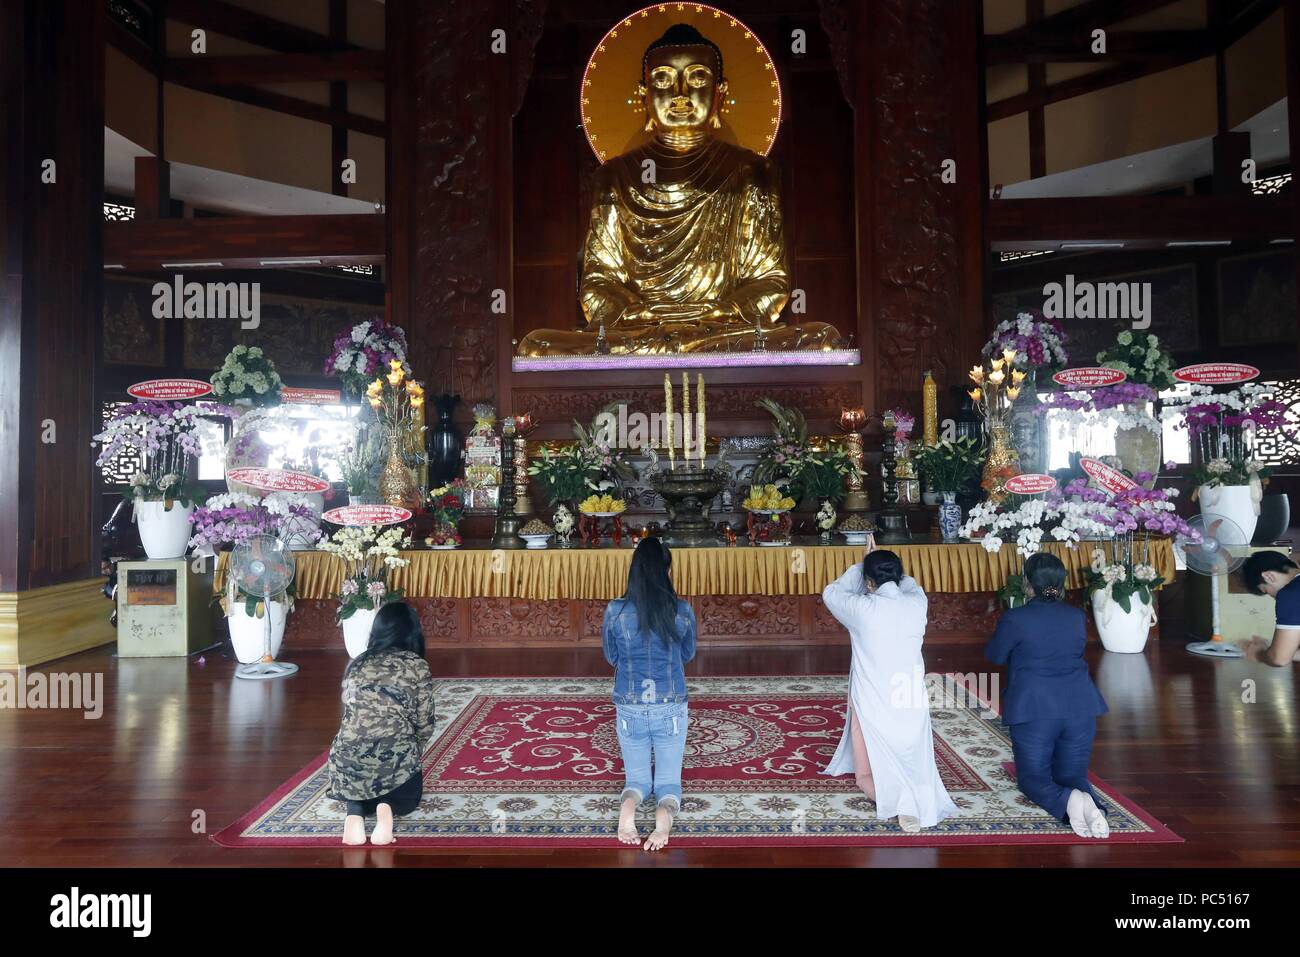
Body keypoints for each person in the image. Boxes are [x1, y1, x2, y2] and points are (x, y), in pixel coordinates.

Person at [820, 547, 958, 832]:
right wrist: (882, 568)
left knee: (865, 775)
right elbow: (910, 584)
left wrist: (862, 564)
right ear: (897, 576)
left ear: (868, 583)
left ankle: (902, 805)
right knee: (911, 753)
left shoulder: (862, 608)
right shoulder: (917, 602)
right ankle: (914, 795)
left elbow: (831, 592)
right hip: (911, 698)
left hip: (874, 699)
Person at [985, 552, 1110, 839]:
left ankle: (1072, 803)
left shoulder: (1016, 618)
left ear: (1027, 583)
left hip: (1035, 709)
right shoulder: (1076, 615)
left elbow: (994, 655)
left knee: (1032, 780)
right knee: (1074, 776)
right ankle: (1094, 810)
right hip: (1080, 707)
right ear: (1062, 582)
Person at [602, 536, 698, 851]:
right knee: (669, 784)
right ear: (665, 572)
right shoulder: (682, 610)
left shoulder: (615, 611)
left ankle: (628, 808)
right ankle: (662, 818)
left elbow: (611, 657)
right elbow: (687, 654)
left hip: (629, 705)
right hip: (670, 706)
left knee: (637, 781)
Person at [327, 601, 436, 846]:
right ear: (412, 631)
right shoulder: (416, 665)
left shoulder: (357, 663)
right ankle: (386, 809)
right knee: (407, 793)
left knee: (359, 780)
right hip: (394, 764)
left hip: (344, 764)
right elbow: (425, 724)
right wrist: (413, 750)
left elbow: (349, 715)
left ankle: (354, 812)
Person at [1238, 550, 1300, 666]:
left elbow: (1279, 659)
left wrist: (1257, 653)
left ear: (1269, 576)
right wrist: (1274, 649)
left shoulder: (1289, 594)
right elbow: (1283, 655)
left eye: (1266, 591)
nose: (1274, 598)